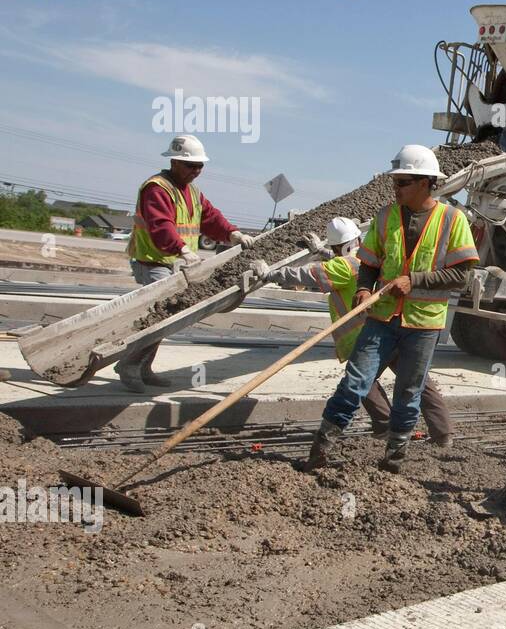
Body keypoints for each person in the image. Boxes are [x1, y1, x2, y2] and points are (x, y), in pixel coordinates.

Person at [304, 145, 478, 473]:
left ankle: (394, 459)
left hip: (423, 324)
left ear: (425, 183)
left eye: (403, 183)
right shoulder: (385, 217)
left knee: (409, 392)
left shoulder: (453, 220)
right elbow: (368, 263)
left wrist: (415, 281)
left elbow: (463, 275)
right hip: (381, 317)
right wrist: (364, 288)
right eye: (395, 183)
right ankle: (321, 449)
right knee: (355, 381)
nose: (395, 189)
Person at [251, 216, 453, 448]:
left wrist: (270, 274)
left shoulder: (342, 266)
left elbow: (309, 275)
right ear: (357, 238)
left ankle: (385, 424)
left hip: (368, 336)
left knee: (361, 382)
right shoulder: (373, 259)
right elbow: (347, 262)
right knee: (417, 380)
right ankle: (443, 433)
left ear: (338, 246)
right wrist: (322, 250)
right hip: (397, 327)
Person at [120, 134, 254, 391]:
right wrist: (182, 249)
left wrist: (231, 233)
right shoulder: (157, 188)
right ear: (175, 162)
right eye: (191, 166)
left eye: (200, 166)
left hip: (177, 263)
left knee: (168, 317)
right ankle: (128, 364)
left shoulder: (191, 191)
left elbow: (210, 217)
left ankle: (143, 367)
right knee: (162, 317)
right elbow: (161, 225)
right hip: (154, 261)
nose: (197, 171)